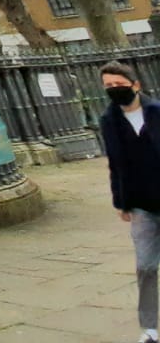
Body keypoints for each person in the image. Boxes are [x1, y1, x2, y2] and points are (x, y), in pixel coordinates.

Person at [101, 60, 160, 342]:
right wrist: (120, 203)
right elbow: (114, 163)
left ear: (135, 85)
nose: (114, 90)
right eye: (108, 86)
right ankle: (149, 329)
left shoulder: (157, 111)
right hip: (141, 205)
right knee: (146, 267)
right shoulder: (109, 121)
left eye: (119, 85)